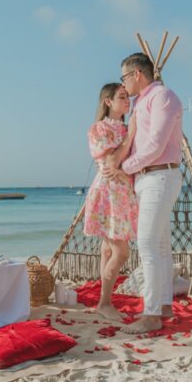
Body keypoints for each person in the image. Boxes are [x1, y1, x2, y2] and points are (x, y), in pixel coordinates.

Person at [104, 53, 183, 334]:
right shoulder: (139, 104)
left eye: (124, 77)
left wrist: (125, 167)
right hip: (147, 177)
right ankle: (162, 306)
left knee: (148, 244)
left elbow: (156, 145)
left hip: (160, 174)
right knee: (160, 246)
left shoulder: (163, 96)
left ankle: (150, 314)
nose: (122, 84)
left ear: (137, 74)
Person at [84, 83, 138, 321]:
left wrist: (123, 162)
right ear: (108, 101)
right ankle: (105, 302)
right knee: (121, 252)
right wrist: (127, 143)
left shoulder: (127, 127)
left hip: (124, 191)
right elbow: (109, 165)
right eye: (122, 97)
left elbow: (125, 163)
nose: (127, 101)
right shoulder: (98, 129)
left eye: (128, 97)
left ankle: (103, 301)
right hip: (109, 193)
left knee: (108, 247)